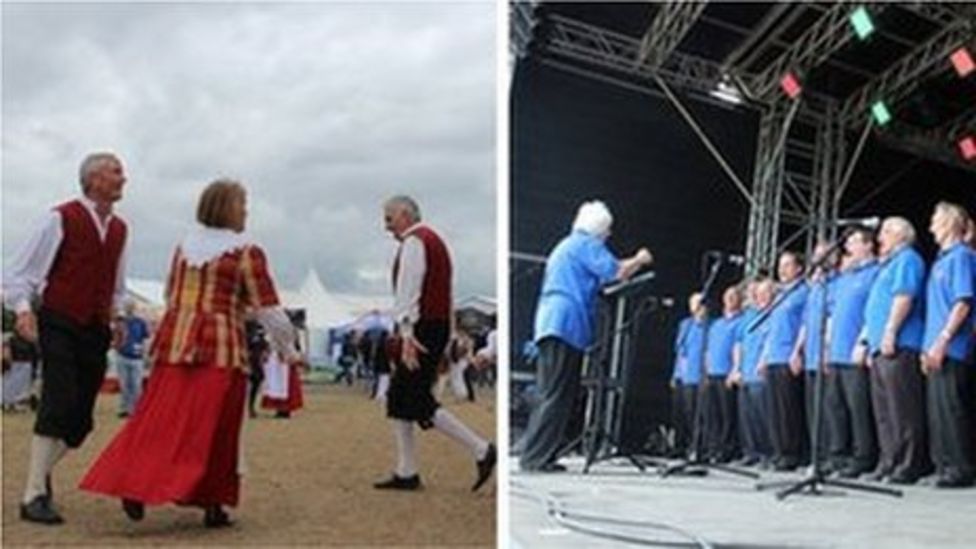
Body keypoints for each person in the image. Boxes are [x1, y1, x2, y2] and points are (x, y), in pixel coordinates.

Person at [79, 179, 302, 527]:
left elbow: (171, 294)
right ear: (228, 209)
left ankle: (137, 483)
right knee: (216, 428)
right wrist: (288, 348)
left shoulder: (184, 248)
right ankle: (212, 501)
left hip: (175, 344)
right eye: (242, 205)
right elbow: (268, 308)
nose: (246, 212)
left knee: (159, 420)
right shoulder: (246, 251)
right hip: (221, 349)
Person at [3, 152, 129, 525]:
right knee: (58, 401)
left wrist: (118, 316)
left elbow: (117, 283)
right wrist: (23, 309)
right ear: (93, 179)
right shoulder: (60, 218)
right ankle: (33, 495)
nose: (123, 178)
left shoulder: (120, 229)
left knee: (81, 423)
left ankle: (39, 476)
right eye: (116, 172)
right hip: (59, 320)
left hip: (95, 327)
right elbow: (19, 272)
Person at [518, 200, 652, 472]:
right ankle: (536, 458)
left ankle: (539, 454)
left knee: (551, 391)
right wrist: (640, 259)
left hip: (552, 322)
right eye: (608, 230)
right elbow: (616, 271)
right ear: (599, 229)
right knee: (556, 394)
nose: (609, 236)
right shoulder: (586, 245)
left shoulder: (567, 246)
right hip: (566, 324)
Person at [375, 195, 496, 491]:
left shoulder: (415, 241)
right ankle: (407, 470)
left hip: (421, 328)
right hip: (434, 326)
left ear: (405, 215)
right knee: (401, 398)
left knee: (414, 399)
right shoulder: (433, 241)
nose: (386, 226)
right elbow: (445, 293)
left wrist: (406, 332)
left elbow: (408, 290)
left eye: (389, 218)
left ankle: (482, 449)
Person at [863, 216, 929, 484]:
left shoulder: (908, 259)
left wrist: (890, 331)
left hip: (901, 343)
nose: (880, 237)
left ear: (902, 235)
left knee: (902, 409)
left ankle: (908, 464)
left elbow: (904, 297)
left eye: (886, 232)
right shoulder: (887, 264)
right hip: (880, 346)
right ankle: (888, 461)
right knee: (884, 411)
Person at [922, 202, 975, 487]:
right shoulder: (940, 261)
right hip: (933, 345)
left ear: (949, 224)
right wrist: (927, 346)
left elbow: (963, 302)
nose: (931, 228)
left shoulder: (962, 256)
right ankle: (942, 465)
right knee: (937, 410)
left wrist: (943, 339)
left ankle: (960, 468)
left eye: (935, 221)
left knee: (952, 408)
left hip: (952, 345)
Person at [825, 228, 880, 478]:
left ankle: (863, 456)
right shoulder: (845, 278)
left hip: (854, 351)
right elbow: (832, 315)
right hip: (836, 351)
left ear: (868, 245)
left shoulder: (874, 272)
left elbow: (874, 311)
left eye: (854, 242)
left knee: (858, 407)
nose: (848, 247)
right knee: (835, 406)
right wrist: (827, 347)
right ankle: (838, 455)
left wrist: (864, 342)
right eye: (847, 243)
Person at [759, 250, 808, 471]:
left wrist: (797, 351)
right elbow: (771, 330)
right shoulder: (779, 296)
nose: (782, 270)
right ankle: (778, 451)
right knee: (774, 410)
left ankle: (791, 453)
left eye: (788, 265)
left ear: (799, 268)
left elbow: (805, 324)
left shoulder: (802, 292)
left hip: (788, 355)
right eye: (780, 265)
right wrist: (765, 357)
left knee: (788, 408)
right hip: (774, 356)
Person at [791, 241, 838, 470]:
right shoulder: (814, 288)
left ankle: (830, 457)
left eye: (823, 254)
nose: (818, 259)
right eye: (816, 255)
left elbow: (831, 318)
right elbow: (805, 323)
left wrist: (827, 349)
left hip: (824, 355)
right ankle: (816, 456)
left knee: (829, 409)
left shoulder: (835, 284)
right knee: (813, 410)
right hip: (809, 355)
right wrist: (796, 350)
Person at [731, 278, 774, 467]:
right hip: (745, 373)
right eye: (756, 293)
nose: (758, 296)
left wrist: (763, 360)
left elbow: (770, 341)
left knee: (762, 416)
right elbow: (739, 344)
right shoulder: (748, 316)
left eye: (762, 293)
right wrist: (736, 368)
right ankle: (750, 452)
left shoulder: (771, 314)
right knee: (747, 417)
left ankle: (766, 453)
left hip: (760, 374)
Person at [702, 285, 743, 463]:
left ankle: (727, 450)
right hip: (712, 373)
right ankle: (713, 448)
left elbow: (738, 347)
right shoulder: (716, 324)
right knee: (713, 414)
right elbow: (708, 350)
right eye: (727, 296)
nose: (730, 299)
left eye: (733, 296)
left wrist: (734, 370)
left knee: (727, 415)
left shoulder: (740, 321)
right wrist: (706, 372)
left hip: (727, 373)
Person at [115, 301, 151, 418]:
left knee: (136, 385)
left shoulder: (141, 322)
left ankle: (137, 409)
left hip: (137, 358)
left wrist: (146, 354)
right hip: (122, 356)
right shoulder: (120, 322)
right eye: (127, 306)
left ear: (135, 308)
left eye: (131, 307)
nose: (129, 309)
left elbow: (146, 338)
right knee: (124, 384)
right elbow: (115, 337)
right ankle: (124, 408)